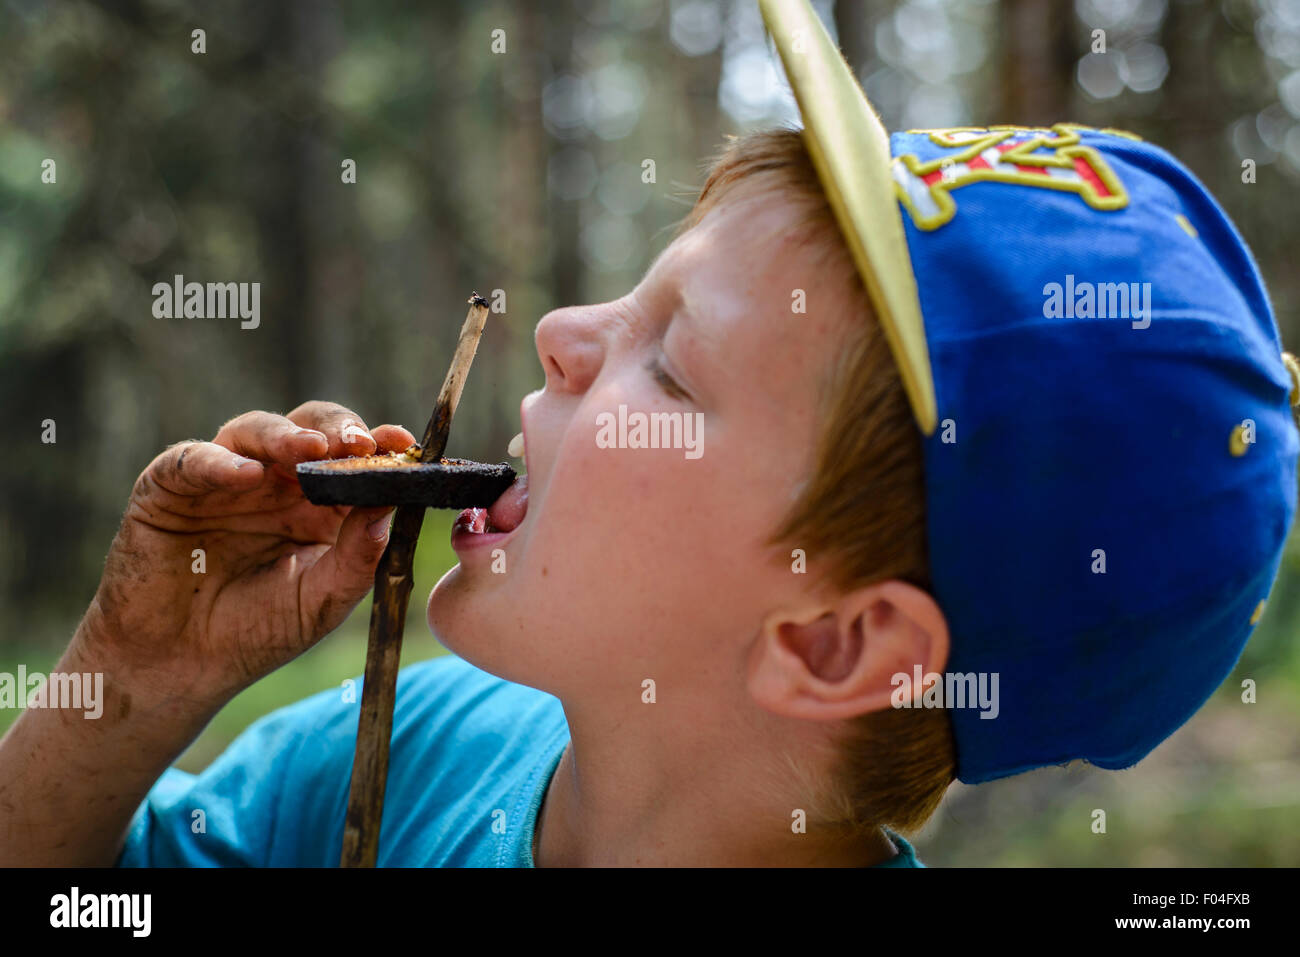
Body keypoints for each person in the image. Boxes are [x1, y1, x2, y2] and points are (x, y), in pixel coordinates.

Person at [2, 0, 1296, 868]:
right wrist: (131, 679)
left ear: (836, 638)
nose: (564, 329)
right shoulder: (406, 745)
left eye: (671, 364)